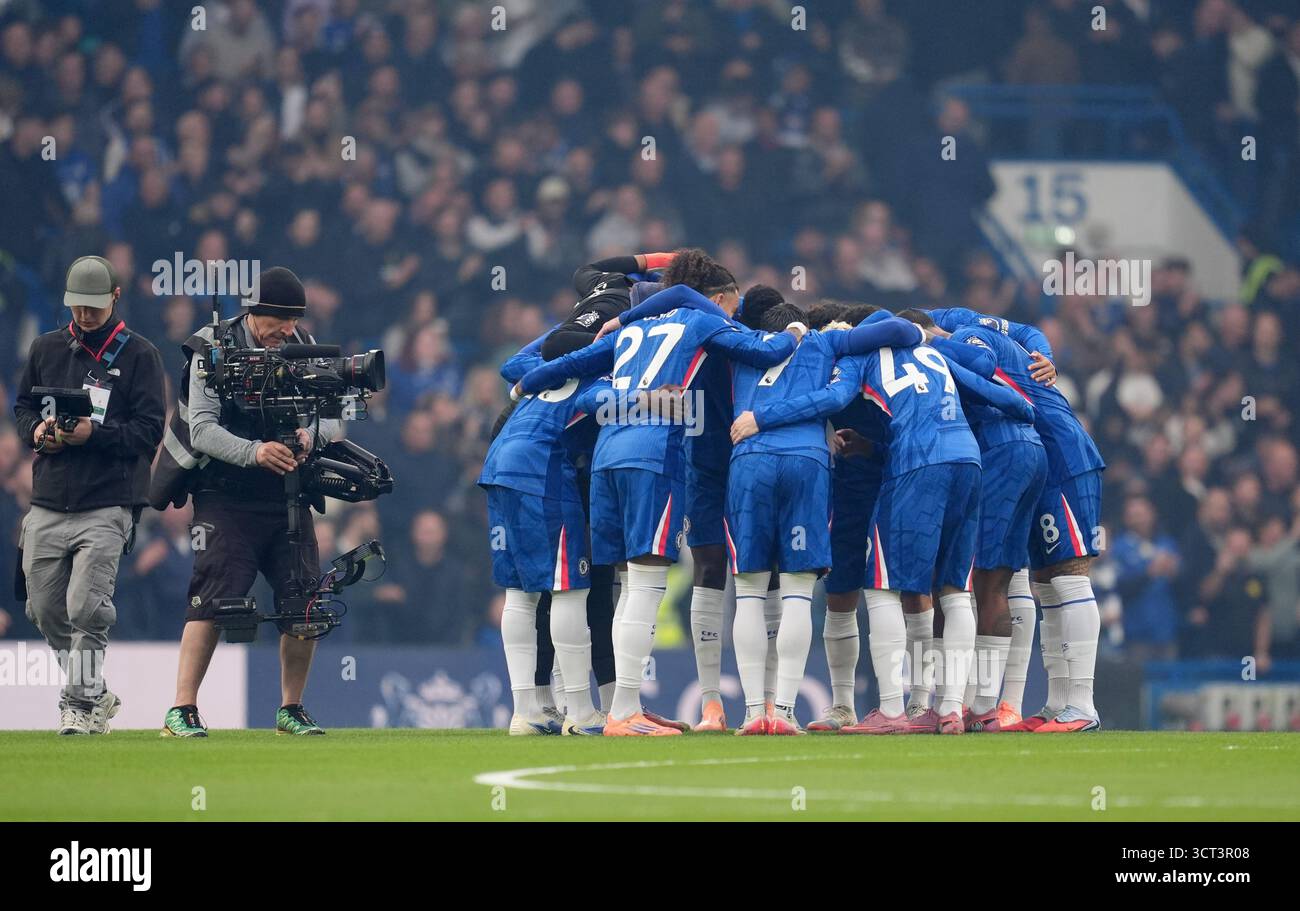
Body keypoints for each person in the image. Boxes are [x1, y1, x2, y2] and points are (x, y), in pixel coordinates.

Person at [514, 279, 802, 735]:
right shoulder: (703, 321)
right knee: (646, 586)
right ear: (716, 298)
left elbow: (570, 364)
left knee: (628, 589)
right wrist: (795, 333)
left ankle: (621, 707)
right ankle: (625, 712)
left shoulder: (630, 334)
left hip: (609, 455)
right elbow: (765, 353)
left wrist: (525, 384)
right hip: (656, 455)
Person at [725, 301, 926, 734]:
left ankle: (750, 714)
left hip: (748, 462)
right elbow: (902, 332)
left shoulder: (740, 346)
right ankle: (783, 712)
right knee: (799, 594)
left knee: (749, 595)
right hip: (807, 461)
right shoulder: (828, 342)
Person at [157, 266, 340, 737]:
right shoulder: (210, 346)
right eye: (278, 322)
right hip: (226, 496)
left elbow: (336, 419)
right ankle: (182, 709)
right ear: (254, 313)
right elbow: (201, 427)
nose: (286, 331)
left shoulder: (304, 343)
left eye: (293, 321)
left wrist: (309, 435)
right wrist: (255, 453)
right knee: (213, 597)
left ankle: (291, 709)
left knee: (304, 602)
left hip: (288, 495)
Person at [12, 255, 166, 734]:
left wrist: (92, 435)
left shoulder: (140, 354)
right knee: (42, 606)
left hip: (108, 501)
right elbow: (22, 407)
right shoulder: (45, 348)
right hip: (49, 497)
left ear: (115, 298)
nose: (85, 315)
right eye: (78, 306)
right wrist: (37, 430)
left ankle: (78, 707)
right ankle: (96, 691)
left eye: (94, 307)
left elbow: (148, 432)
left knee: (86, 607)